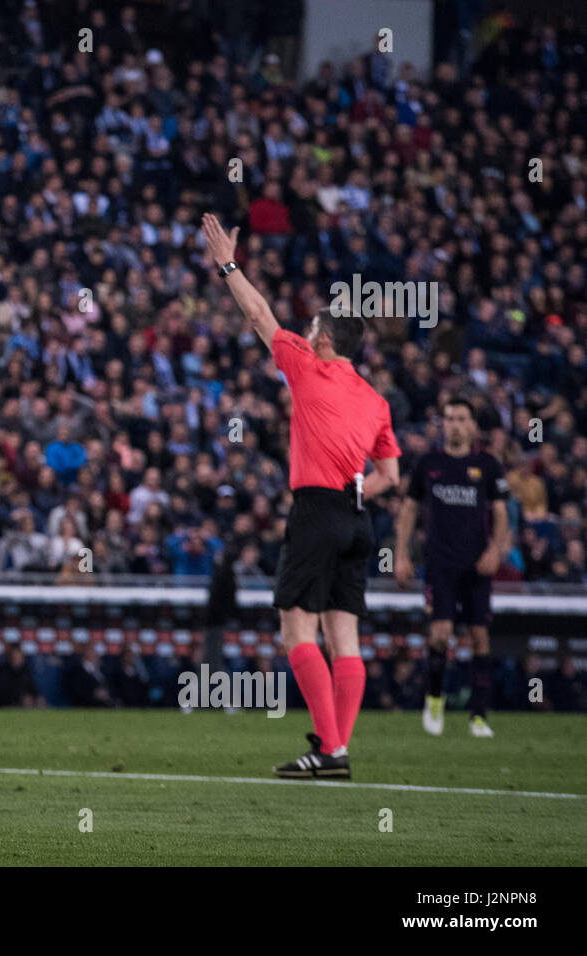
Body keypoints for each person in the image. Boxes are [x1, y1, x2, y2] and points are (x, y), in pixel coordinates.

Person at [202, 213, 401, 780]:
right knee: (346, 636)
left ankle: (331, 750)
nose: (307, 331)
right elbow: (389, 473)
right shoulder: (376, 401)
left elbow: (258, 314)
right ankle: (335, 748)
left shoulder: (309, 366)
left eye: (313, 326)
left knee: (296, 628)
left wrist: (228, 264)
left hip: (316, 510)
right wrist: (358, 483)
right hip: (357, 516)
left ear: (327, 339)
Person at [395, 398, 509, 737]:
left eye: (461, 419)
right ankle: (434, 698)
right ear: (442, 424)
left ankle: (478, 715)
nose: (455, 424)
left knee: (480, 636)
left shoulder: (487, 465)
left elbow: (501, 513)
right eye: (449, 418)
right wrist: (401, 553)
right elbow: (409, 509)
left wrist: (496, 550)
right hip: (440, 563)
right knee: (440, 633)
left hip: (477, 564)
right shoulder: (428, 463)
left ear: (473, 425)